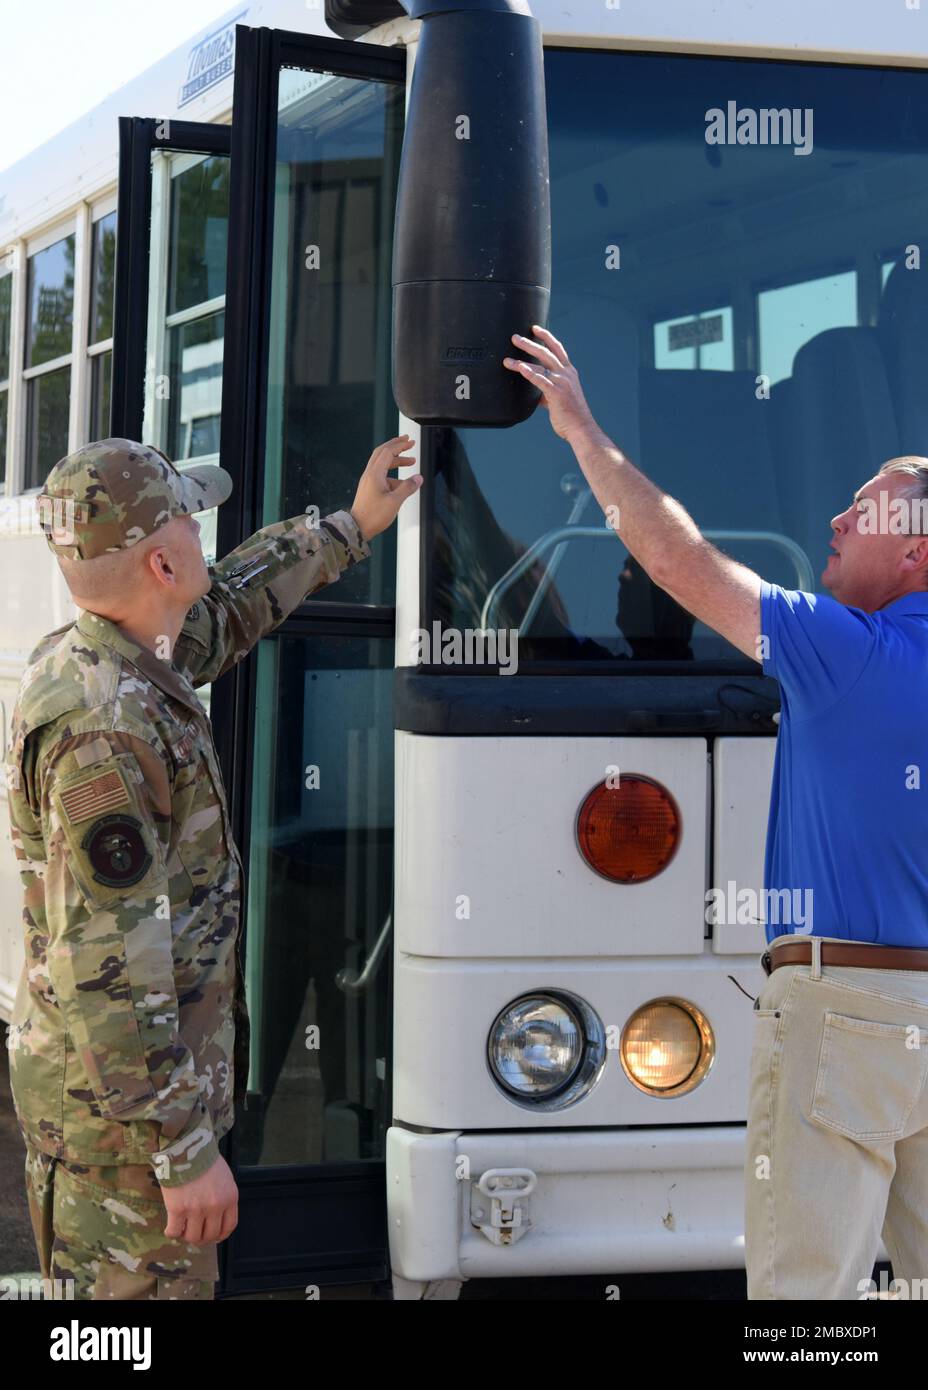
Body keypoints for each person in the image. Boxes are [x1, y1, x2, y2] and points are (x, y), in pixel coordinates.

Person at [505, 325, 928, 1300]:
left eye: (861, 509)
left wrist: (580, 432)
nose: (834, 513)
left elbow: (675, 559)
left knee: (805, 1302)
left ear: (913, 549)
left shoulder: (844, 650)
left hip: (846, 1011)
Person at [5, 435, 421, 1300]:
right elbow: (107, 969)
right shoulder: (101, 729)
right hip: (121, 1141)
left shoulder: (127, 656)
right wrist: (181, 1152)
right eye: (192, 520)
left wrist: (351, 525)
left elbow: (231, 603)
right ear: (161, 561)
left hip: (127, 1119)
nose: (204, 531)